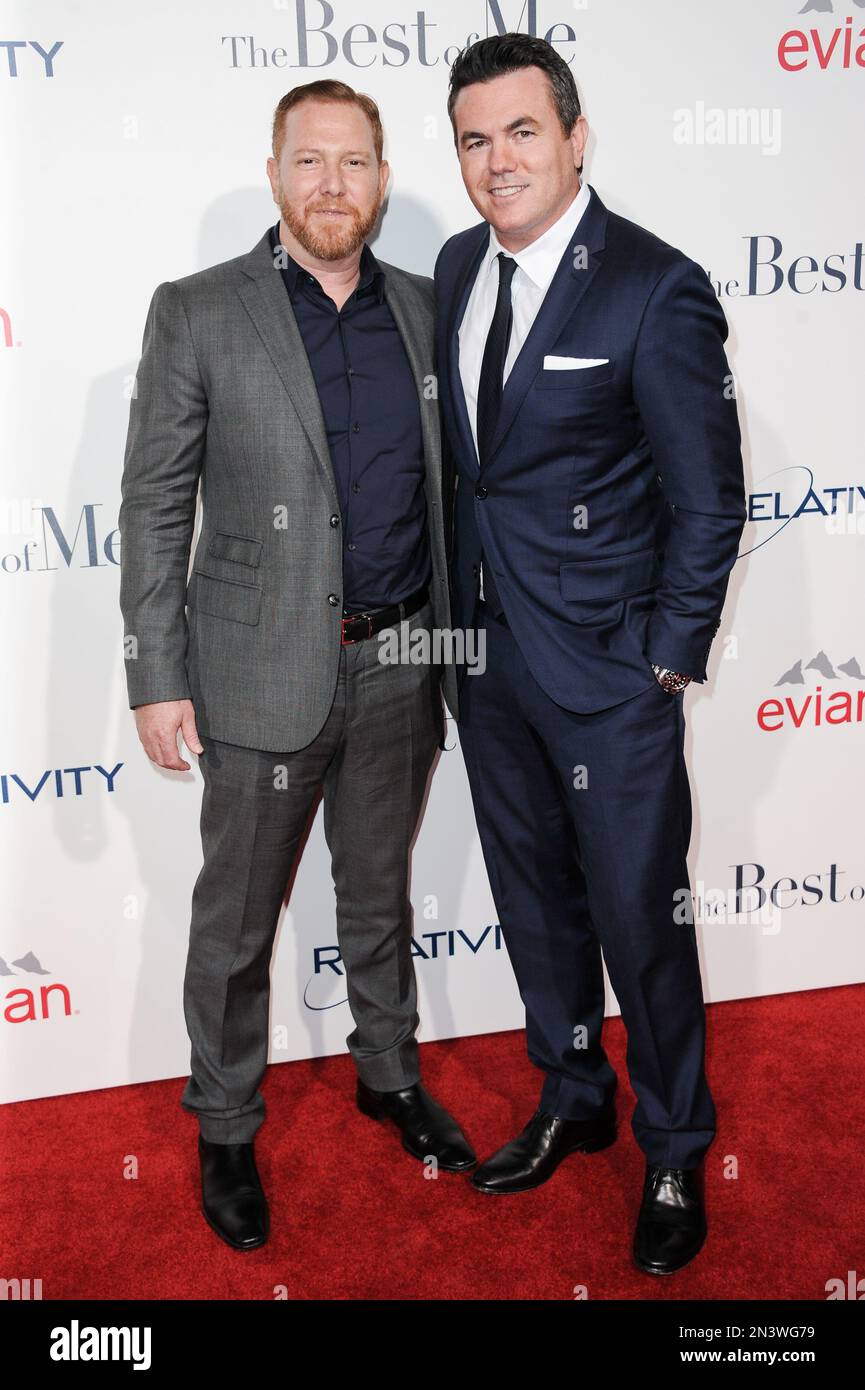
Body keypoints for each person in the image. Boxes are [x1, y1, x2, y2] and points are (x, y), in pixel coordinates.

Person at [119, 79, 475, 1253]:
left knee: (377, 895)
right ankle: (224, 1120)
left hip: (402, 662)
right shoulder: (198, 310)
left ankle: (386, 1071)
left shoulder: (431, 309)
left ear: (381, 177)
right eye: (310, 161)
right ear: (275, 174)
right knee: (236, 921)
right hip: (256, 671)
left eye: (356, 162)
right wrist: (154, 672)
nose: (333, 185)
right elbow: (156, 502)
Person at [435, 33, 746, 1274]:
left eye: (520, 131)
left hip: (609, 680)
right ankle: (572, 1093)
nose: (496, 160)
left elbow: (708, 497)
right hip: (488, 668)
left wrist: (663, 658)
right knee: (535, 908)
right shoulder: (458, 266)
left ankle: (673, 1142)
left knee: (639, 916)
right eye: (473, 138)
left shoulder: (653, 287)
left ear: (574, 138)